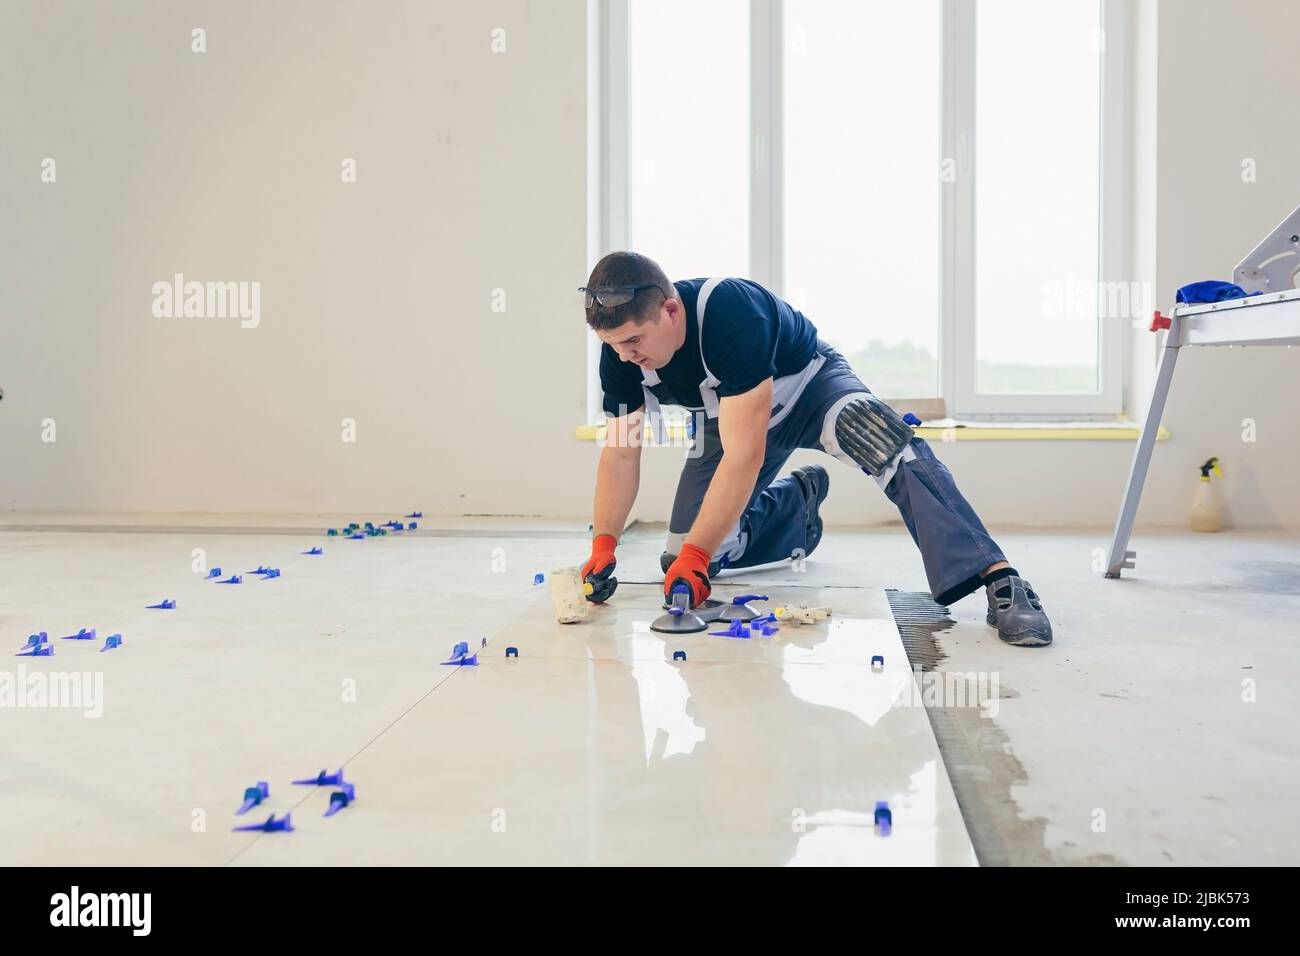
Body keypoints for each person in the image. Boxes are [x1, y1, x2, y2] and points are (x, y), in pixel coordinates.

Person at [577, 251, 1052, 647]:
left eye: (634, 339)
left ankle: (1001, 579)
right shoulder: (620, 356)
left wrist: (696, 554)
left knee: (888, 444)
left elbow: (746, 454)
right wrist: (605, 542)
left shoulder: (729, 310)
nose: (625, 354)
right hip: (727, 419)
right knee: (682, 556)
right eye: (613, 344)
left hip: (811, 386)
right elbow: (621, 453)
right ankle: (793, 508)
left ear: (672, 311)